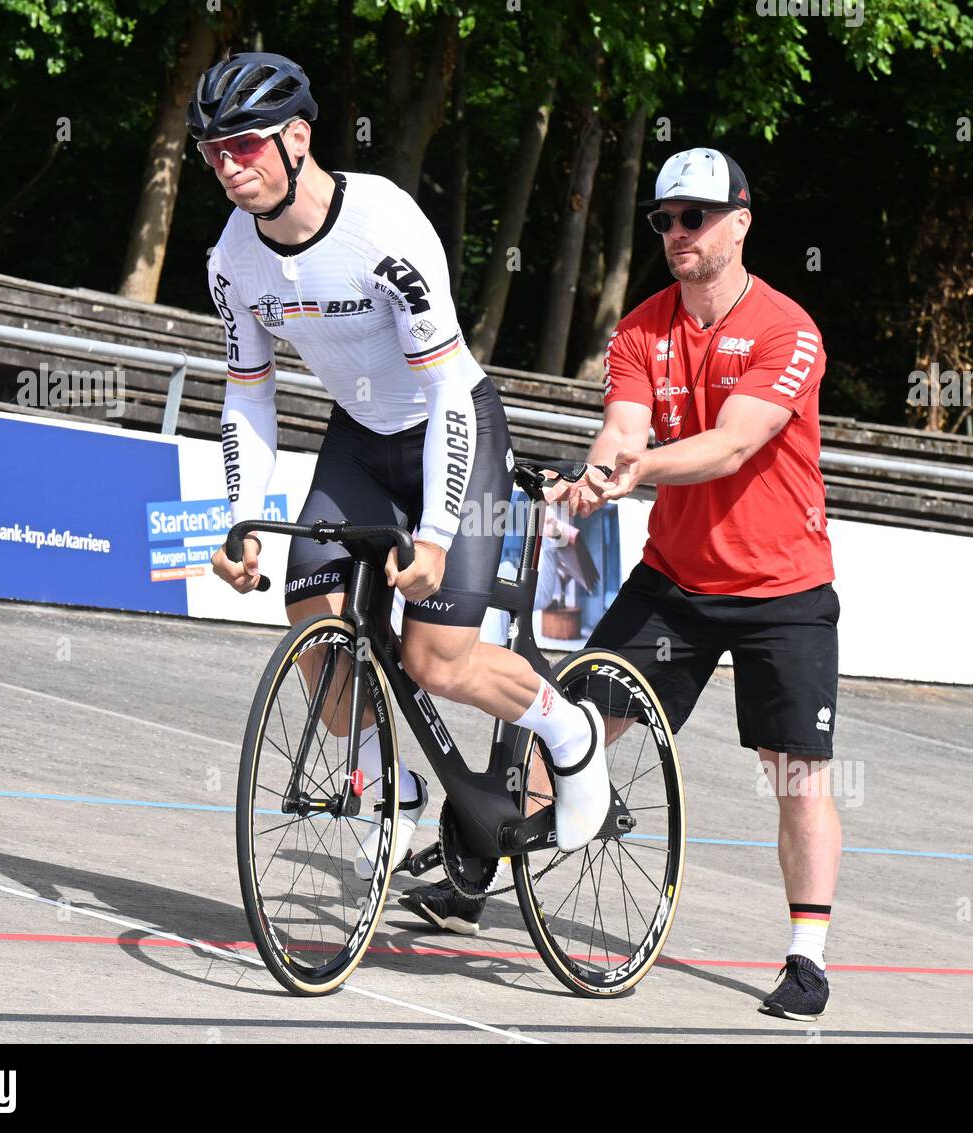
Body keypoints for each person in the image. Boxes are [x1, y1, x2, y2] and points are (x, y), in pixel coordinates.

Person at [401, 148, 841, 1022]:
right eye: (665, 220)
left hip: (783, 586)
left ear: (740, 223)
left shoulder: (788, 329)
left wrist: (631, 472)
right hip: (675, 579)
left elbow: (734, 444)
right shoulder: (642, 328)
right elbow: (621, 432)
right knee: (570, 723)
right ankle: (474, 874)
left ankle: (806, 954)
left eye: (695, 217)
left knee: (793, 771)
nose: (677, 233)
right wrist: (600, 476)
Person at [190, 53, 610, 870]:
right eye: (213, 151)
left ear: (297, 138)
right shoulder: (231, 260)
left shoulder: (383, 227)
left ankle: (571, 729)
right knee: (312, 619)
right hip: (359, 438)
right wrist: (238, 518)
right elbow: (249, 392)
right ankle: (397, 788)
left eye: (244, 145)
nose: (228, 165)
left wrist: (439, 535)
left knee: (435, 659)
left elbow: (450, 392)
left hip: (453, 428)